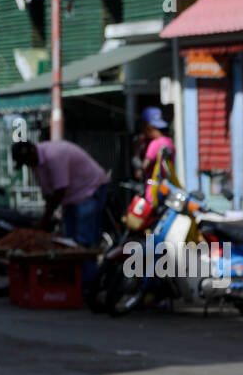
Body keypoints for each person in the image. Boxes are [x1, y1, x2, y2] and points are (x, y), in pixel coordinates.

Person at [11, 138, 110, 281]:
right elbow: (50, 193)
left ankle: (87, 285)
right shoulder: (36, 162)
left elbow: (59, 190)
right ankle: (75, 283)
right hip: (71, 198)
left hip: (88, 191)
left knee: (83, 244)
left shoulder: (54, 155)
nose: (27, 165)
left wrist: (45, 219)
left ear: (31, 152)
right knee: (69, 244)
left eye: (26, 161)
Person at [134, 106, 176, 202]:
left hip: (153, 192)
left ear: (148, 126)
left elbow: (140, 172)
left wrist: (137, 149)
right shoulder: (168, 142)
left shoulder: (155, 144)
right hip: (166, 190)